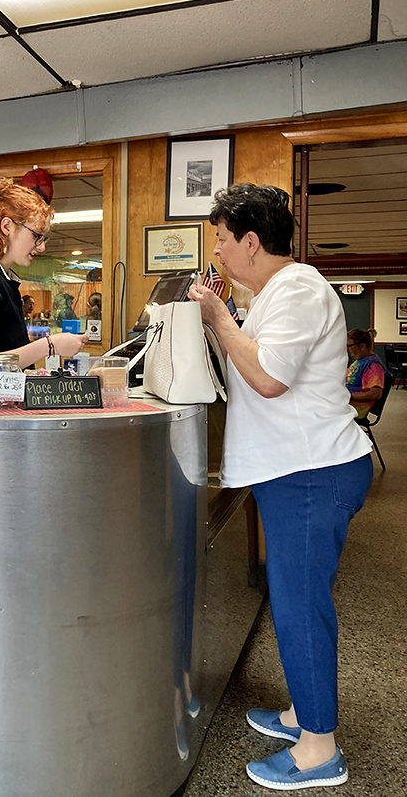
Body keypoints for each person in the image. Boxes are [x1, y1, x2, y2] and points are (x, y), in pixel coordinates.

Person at [188, 184, 373, 791]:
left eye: (220, 239)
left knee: (298, 606)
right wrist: (228, 313)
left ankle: (321, 753)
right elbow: (261, 354)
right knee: (294, 596)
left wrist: (216, 315)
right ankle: (303, 713)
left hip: (311, 471)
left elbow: (268, 378)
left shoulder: (299, 287)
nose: (215, 251)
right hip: (296, 469)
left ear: (250, 241)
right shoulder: (275, 292)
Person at [0, 178, 88, 391]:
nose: (40, 247)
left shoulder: (1, 279)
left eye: (43, 239)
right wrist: (50, 346)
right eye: (36, 236)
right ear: (7, 226)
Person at [346, 328, 387, 419]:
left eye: (350, 346)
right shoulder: (360, 361)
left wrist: (348, 396)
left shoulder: (373, 365)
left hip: (355, 408)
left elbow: (375, 394)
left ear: (362, 346)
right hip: (345, 402)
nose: (348, 349)